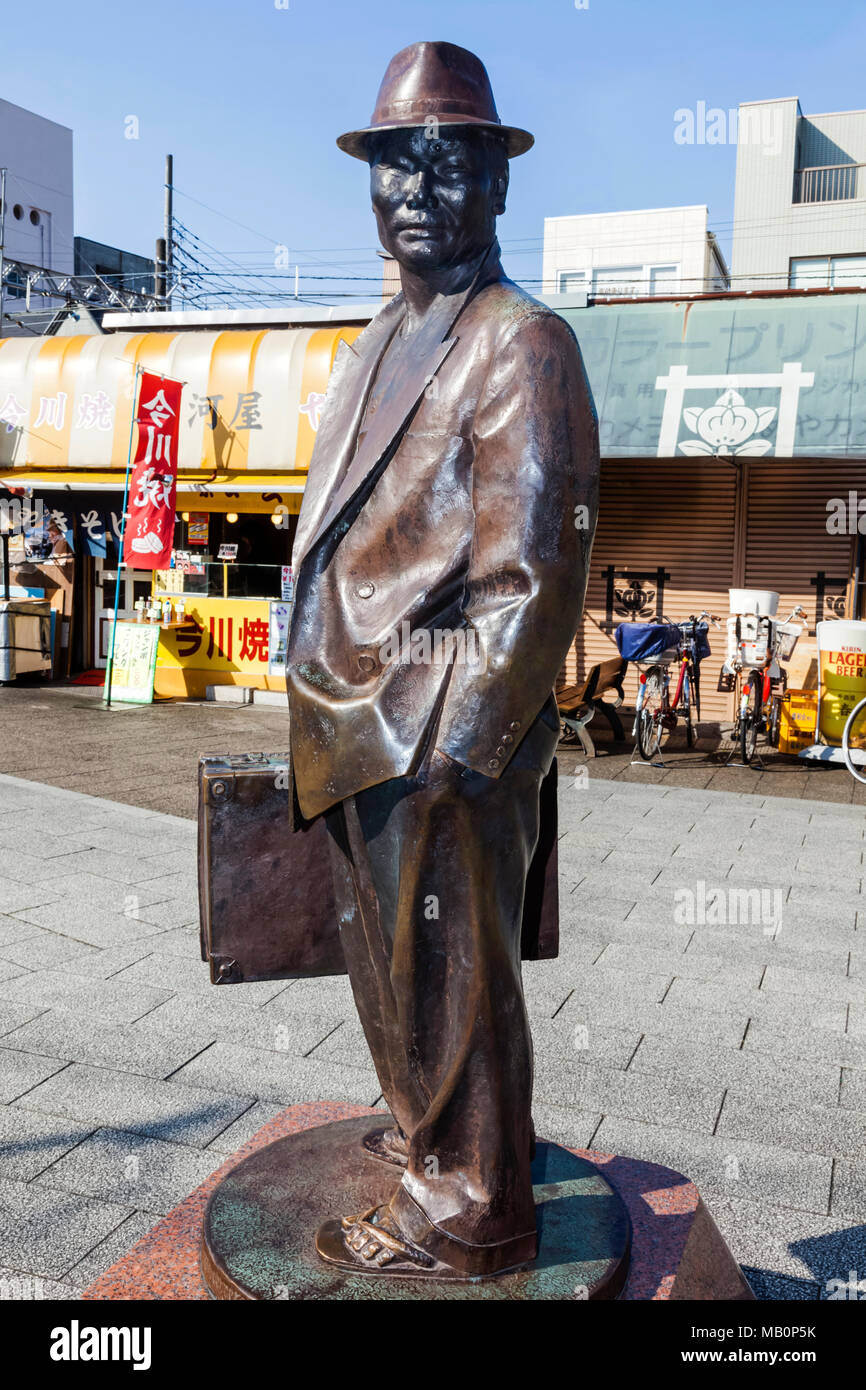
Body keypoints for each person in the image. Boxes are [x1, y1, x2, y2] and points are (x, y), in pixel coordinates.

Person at [286, 40, 599, 1280]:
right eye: (393, 165)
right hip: (351, 716)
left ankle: (478, 1207)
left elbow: (538, 560)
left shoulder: (520, 342)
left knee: (453, 981)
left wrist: (464, 751)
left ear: (496, 185)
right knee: (388, 972)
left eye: (446, 163)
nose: (415, 188)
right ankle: (429, 1137)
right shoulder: (374, 343)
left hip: (440, 736)